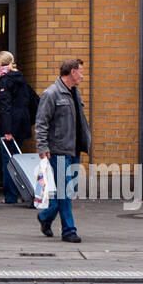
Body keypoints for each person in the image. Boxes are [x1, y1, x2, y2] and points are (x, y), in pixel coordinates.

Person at [34, 56, 91, 244]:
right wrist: (43, 147)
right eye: (81, 71)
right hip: (58, 150)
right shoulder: (51, 94)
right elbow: (41, 123)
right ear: (72, 72)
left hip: (74, 149)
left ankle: (45, 217)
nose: (82, 75)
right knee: (64, 191)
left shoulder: (75, 93)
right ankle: (69, 230)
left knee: (70, 189)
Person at [0, 49, 36, 204]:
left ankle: (11, 195)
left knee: (9, 162)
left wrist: (7, 130)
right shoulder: (21, 79)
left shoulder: (5, 80)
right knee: (18, 160)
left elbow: (6, 107)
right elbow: (33, 100)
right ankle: (25, 191)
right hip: (22, 125)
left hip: (11, 127)